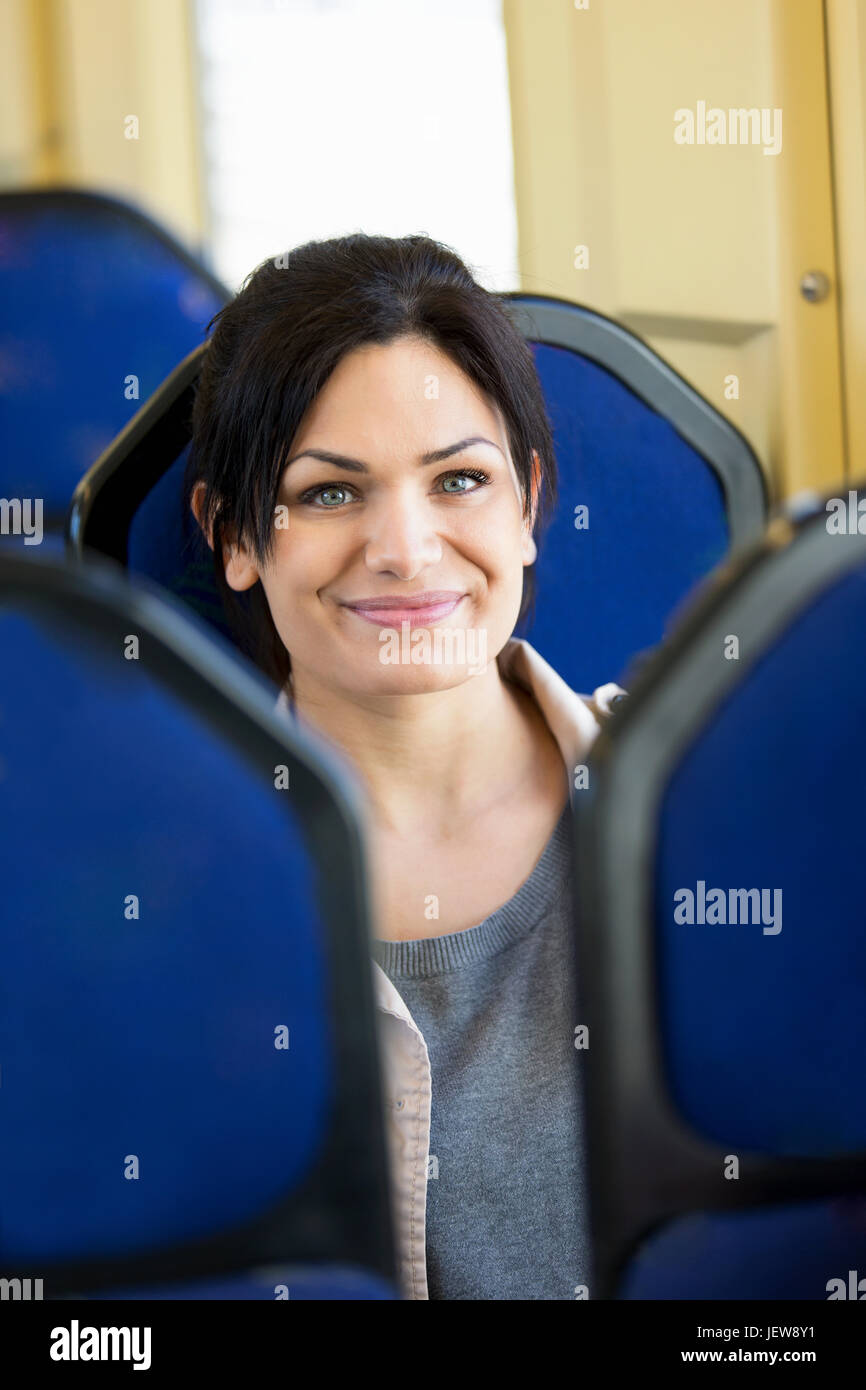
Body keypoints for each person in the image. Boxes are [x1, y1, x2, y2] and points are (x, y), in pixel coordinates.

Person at [188, 232, 626, 1300]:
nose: (405, 548)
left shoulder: (713, 807)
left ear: (525, 503)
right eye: (332, 493)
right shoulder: (160, 896)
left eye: (459, 480)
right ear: (235, 534)